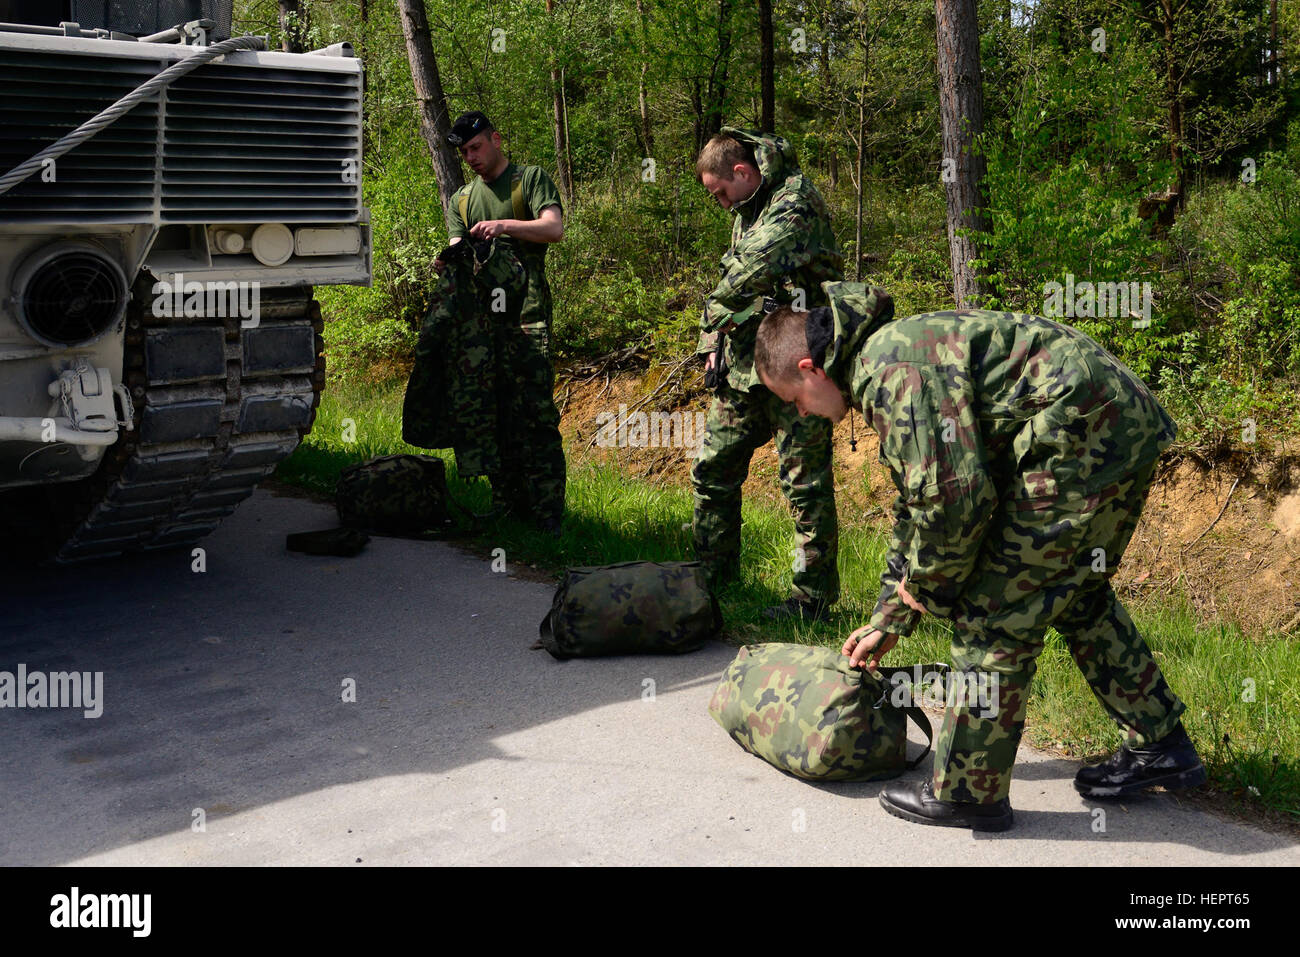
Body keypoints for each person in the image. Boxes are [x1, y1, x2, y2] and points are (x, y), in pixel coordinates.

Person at [752, 285, 1206, 831]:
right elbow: (918, 505)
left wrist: (921, 595)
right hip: (1111, 425)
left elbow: (955, 507)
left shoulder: (891, 374)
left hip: (1082, 438)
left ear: (811, 369)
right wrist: (890, 615)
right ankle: (1159, 742)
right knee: (1072, 591)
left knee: (993, 613)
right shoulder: (886, 353)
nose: (800, 412)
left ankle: (969, 792)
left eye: (793, 398)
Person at [692, 128, 847, 621]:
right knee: (713, 471)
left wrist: (710, 315)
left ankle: (813, 601)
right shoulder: (747, 207)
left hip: (796, 364)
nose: (719, 202)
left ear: (742, 172)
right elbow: (734, 285)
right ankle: (713, 581)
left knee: (804, 486)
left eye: (720, 191)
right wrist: (711, 343)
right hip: (744, 364)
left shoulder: (795, 201)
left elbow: (745, 273)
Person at [422, 110, 567, 532]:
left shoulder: (529, 180)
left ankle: (547, 516)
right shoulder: (462, 200)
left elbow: (553, 229)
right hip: (482, 320)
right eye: (465, 152)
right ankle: (507, 506)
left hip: (527, 313)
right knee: (492, 411)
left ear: (496, 140)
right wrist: (446, 262)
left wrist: (503, 226)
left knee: (535, 414)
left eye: (477, 147)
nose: (471, 157)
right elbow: (457, 251)